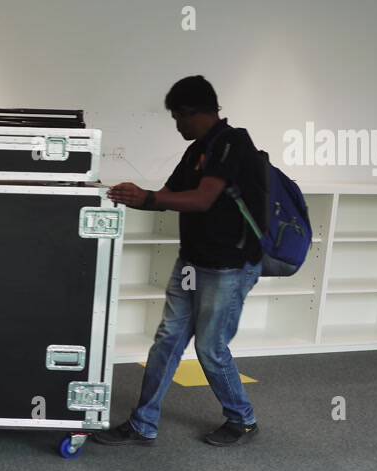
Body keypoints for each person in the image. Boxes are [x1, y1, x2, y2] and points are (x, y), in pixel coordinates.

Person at [100, 75, 265, 448]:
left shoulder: (232, 143)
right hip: (192, 263)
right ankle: (143, 424)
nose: (177, 125)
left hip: (229, 266)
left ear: (195, 112)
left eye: (178, 117)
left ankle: (243, 419)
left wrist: (150, 199)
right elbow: (171, 193)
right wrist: (135, 196)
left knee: (210, 348)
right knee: (167, 341)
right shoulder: (196, 150)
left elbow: (203, 198)